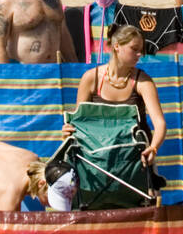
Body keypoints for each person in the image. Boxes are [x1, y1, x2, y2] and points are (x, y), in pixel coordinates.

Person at [62, 23, 167, 169]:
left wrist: (153, 148)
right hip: (97, 161)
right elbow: (80, 122)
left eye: (141, 51)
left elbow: (160, 123)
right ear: (117, 46)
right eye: (134, 49)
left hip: (136, 161)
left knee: (150, 192)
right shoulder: (91, 78)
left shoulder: (143, 82)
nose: (139, 55)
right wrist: (69, 130)